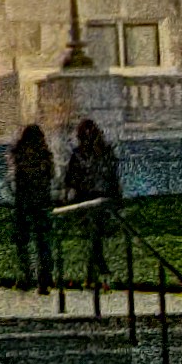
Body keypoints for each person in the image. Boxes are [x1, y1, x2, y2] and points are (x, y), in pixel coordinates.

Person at [65, 115, 124, 286]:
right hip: (100, 198)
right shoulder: (104, 152)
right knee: (95, 236)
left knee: (94, 235)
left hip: (88, 198)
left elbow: (71, 180)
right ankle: (98, 270)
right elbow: (113, 178)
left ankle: (95, 272)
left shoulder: (80, 155)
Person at [7, 121, 59, 289]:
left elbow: (15, 180)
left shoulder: (20, 155)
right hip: (41, 201)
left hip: (23, 202)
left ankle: (26, 275)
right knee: (43, 241)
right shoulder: (44, 156)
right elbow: (51, 175)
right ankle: (45, 277)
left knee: (23, 241)